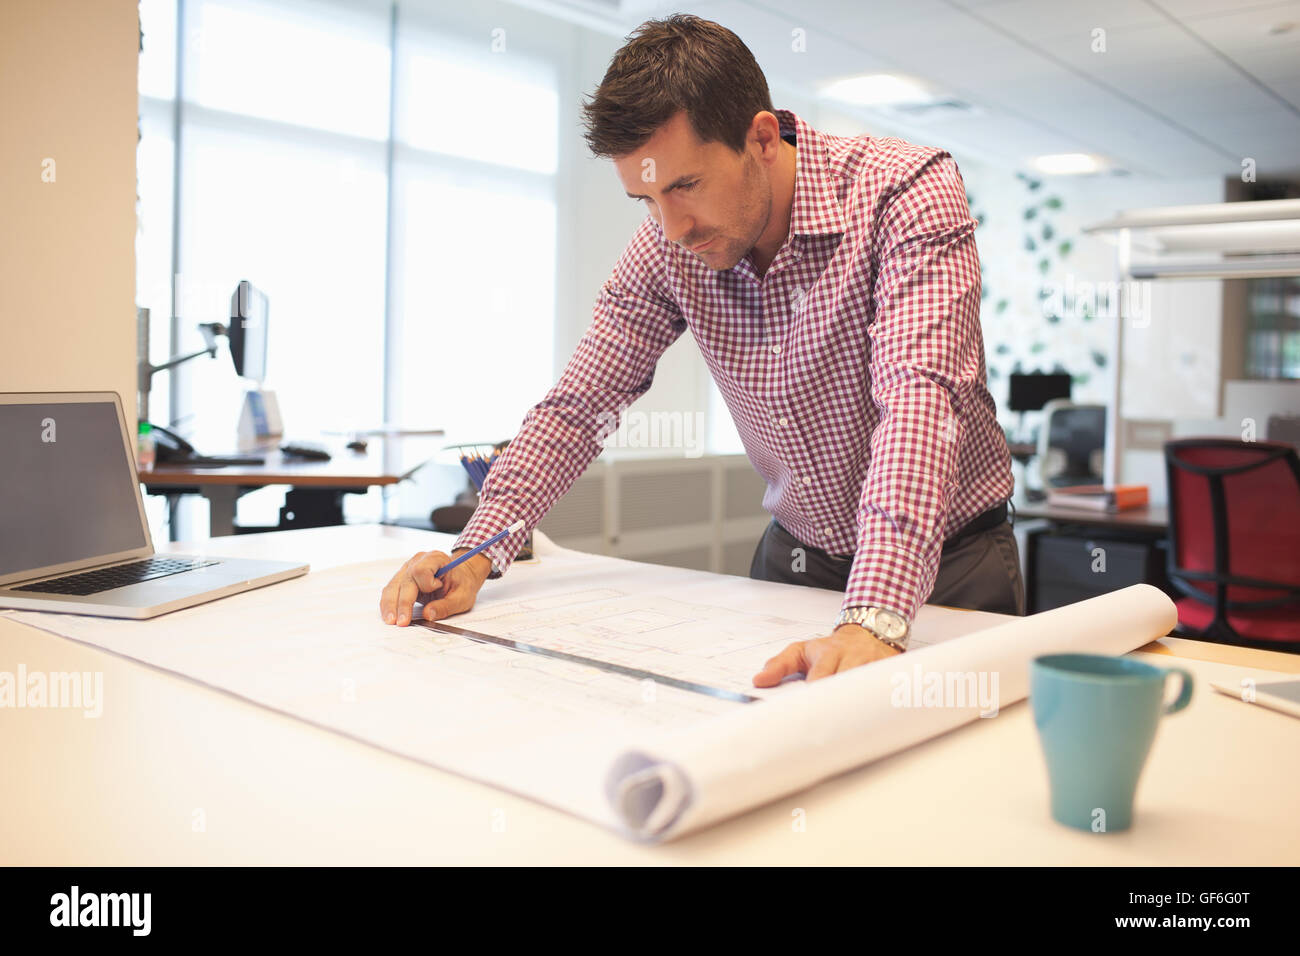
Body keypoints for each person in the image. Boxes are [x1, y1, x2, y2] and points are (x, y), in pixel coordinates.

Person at [379, 14, 1024, 684]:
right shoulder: (669, 243)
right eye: (646, 199)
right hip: (797, 559)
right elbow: (579, 405)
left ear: (763, 138)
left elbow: (918, 399)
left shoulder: (904, 193)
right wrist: (477, 551)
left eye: (685, 186)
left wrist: (876, 618)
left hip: (949, 562)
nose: (673, 227)